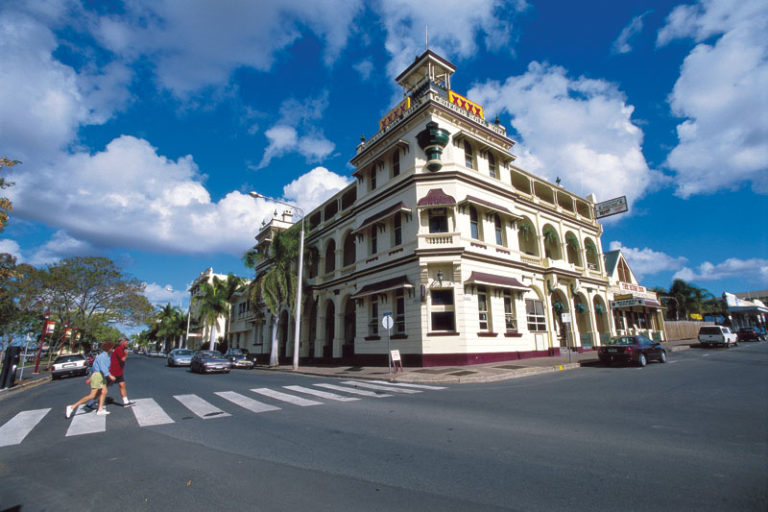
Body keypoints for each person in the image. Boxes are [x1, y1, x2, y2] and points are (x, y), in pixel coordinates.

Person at [66, 341, 115, 418]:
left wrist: (90, 377)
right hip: (99, 376)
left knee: (104, 391)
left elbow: (94, 367)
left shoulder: (105, 356)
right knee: (92, 395)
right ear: (108, 348)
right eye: (112, 348)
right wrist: (110, 375)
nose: (113, 349)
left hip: (100, 376)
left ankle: (100, 409)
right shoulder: (103, 356)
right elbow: (102, 368)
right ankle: (72, 407)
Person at [110, 338, 135, 407]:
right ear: (122, 342)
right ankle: (91, 402)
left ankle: (126, 401)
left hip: (118, 372)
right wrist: (126, 354)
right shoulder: (119, 349)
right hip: (113, 372)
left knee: (122, 385)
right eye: (126, 342)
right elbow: (123, 359)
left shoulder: (120, 349)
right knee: (103, 388)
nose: (127, 343)